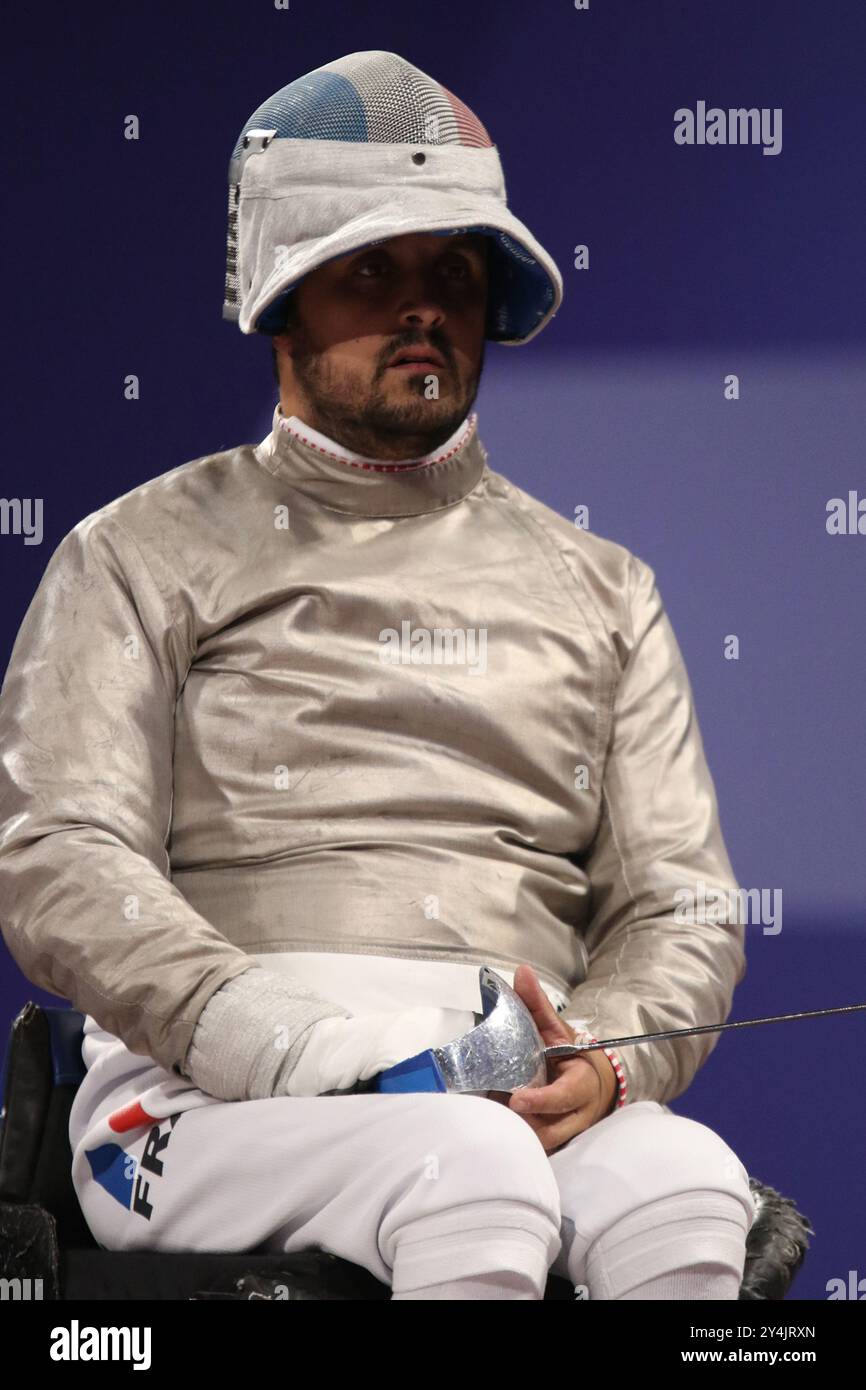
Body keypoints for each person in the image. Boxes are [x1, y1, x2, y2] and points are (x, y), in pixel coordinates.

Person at [0, 51, 755, 1299]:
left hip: (505, 1075)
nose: (424, 307)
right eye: (373, 269)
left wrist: (608, 1058)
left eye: (453, 272)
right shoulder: (136, 552)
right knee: (463, 1167)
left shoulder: (602, 588)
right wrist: (280, 1036)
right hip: (194, 1101)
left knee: (685, 1189)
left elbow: (679, 907)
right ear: (282, 296)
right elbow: (61, 853)